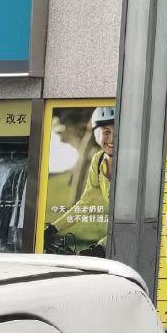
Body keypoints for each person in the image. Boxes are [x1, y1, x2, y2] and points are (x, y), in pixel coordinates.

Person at [48, 107, 115, 256]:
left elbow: (132, 222)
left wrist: (101, 247)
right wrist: (54, 228)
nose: (111, 139)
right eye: (106, 132)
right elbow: (86, 203)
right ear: (97, 135)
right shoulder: (98, 160)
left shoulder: (133, 164)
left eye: (117, 132)